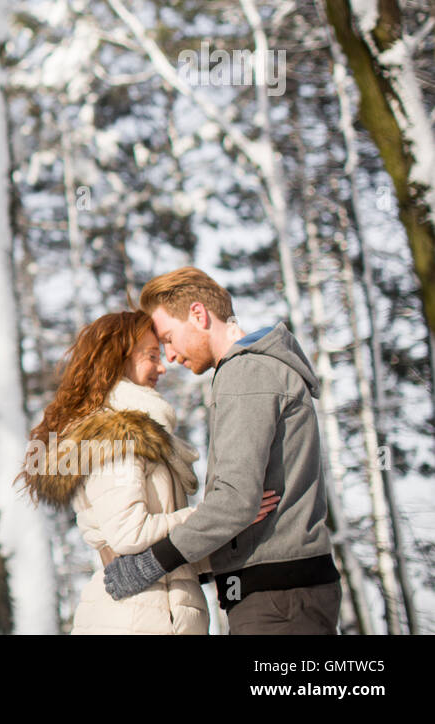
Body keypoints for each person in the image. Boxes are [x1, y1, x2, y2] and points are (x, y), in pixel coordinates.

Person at [104, 267, 343, 634]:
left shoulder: (245, 372)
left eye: (168, 338)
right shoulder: (258, 369)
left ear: (198, 315)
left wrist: (151, 563)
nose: (170, 357)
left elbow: (235, 501)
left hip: (277, 597)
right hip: (280, 591)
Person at [17, 310, 277, 634]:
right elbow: (129, 534)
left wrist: (230, 527)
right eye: (151, 356)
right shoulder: (117, 435)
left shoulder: (141, 436)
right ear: (119, 359)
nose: (162, 366)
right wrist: (216, 514)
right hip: (133, 618)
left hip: (158, 611)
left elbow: (170, 554)